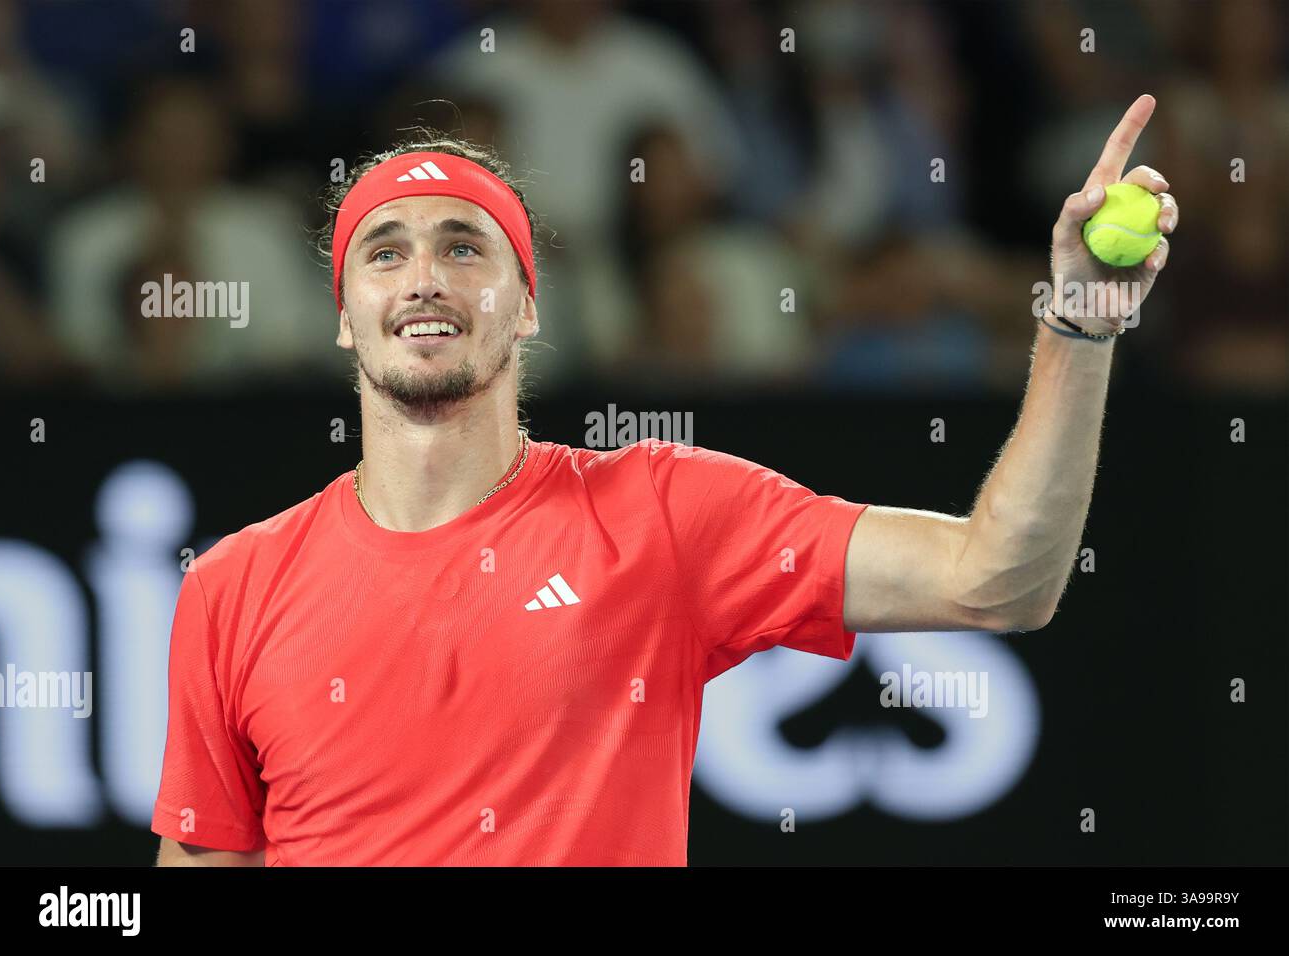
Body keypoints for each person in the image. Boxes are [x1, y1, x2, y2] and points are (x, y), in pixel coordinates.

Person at [152, 96, 1178, 865]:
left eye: (465, 247)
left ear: (526, 309)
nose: (425, 276)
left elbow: (998, 576)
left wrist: (1077, 322)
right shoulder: (232, 586)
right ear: (343, 311)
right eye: (385, 251)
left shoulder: (662, 511)